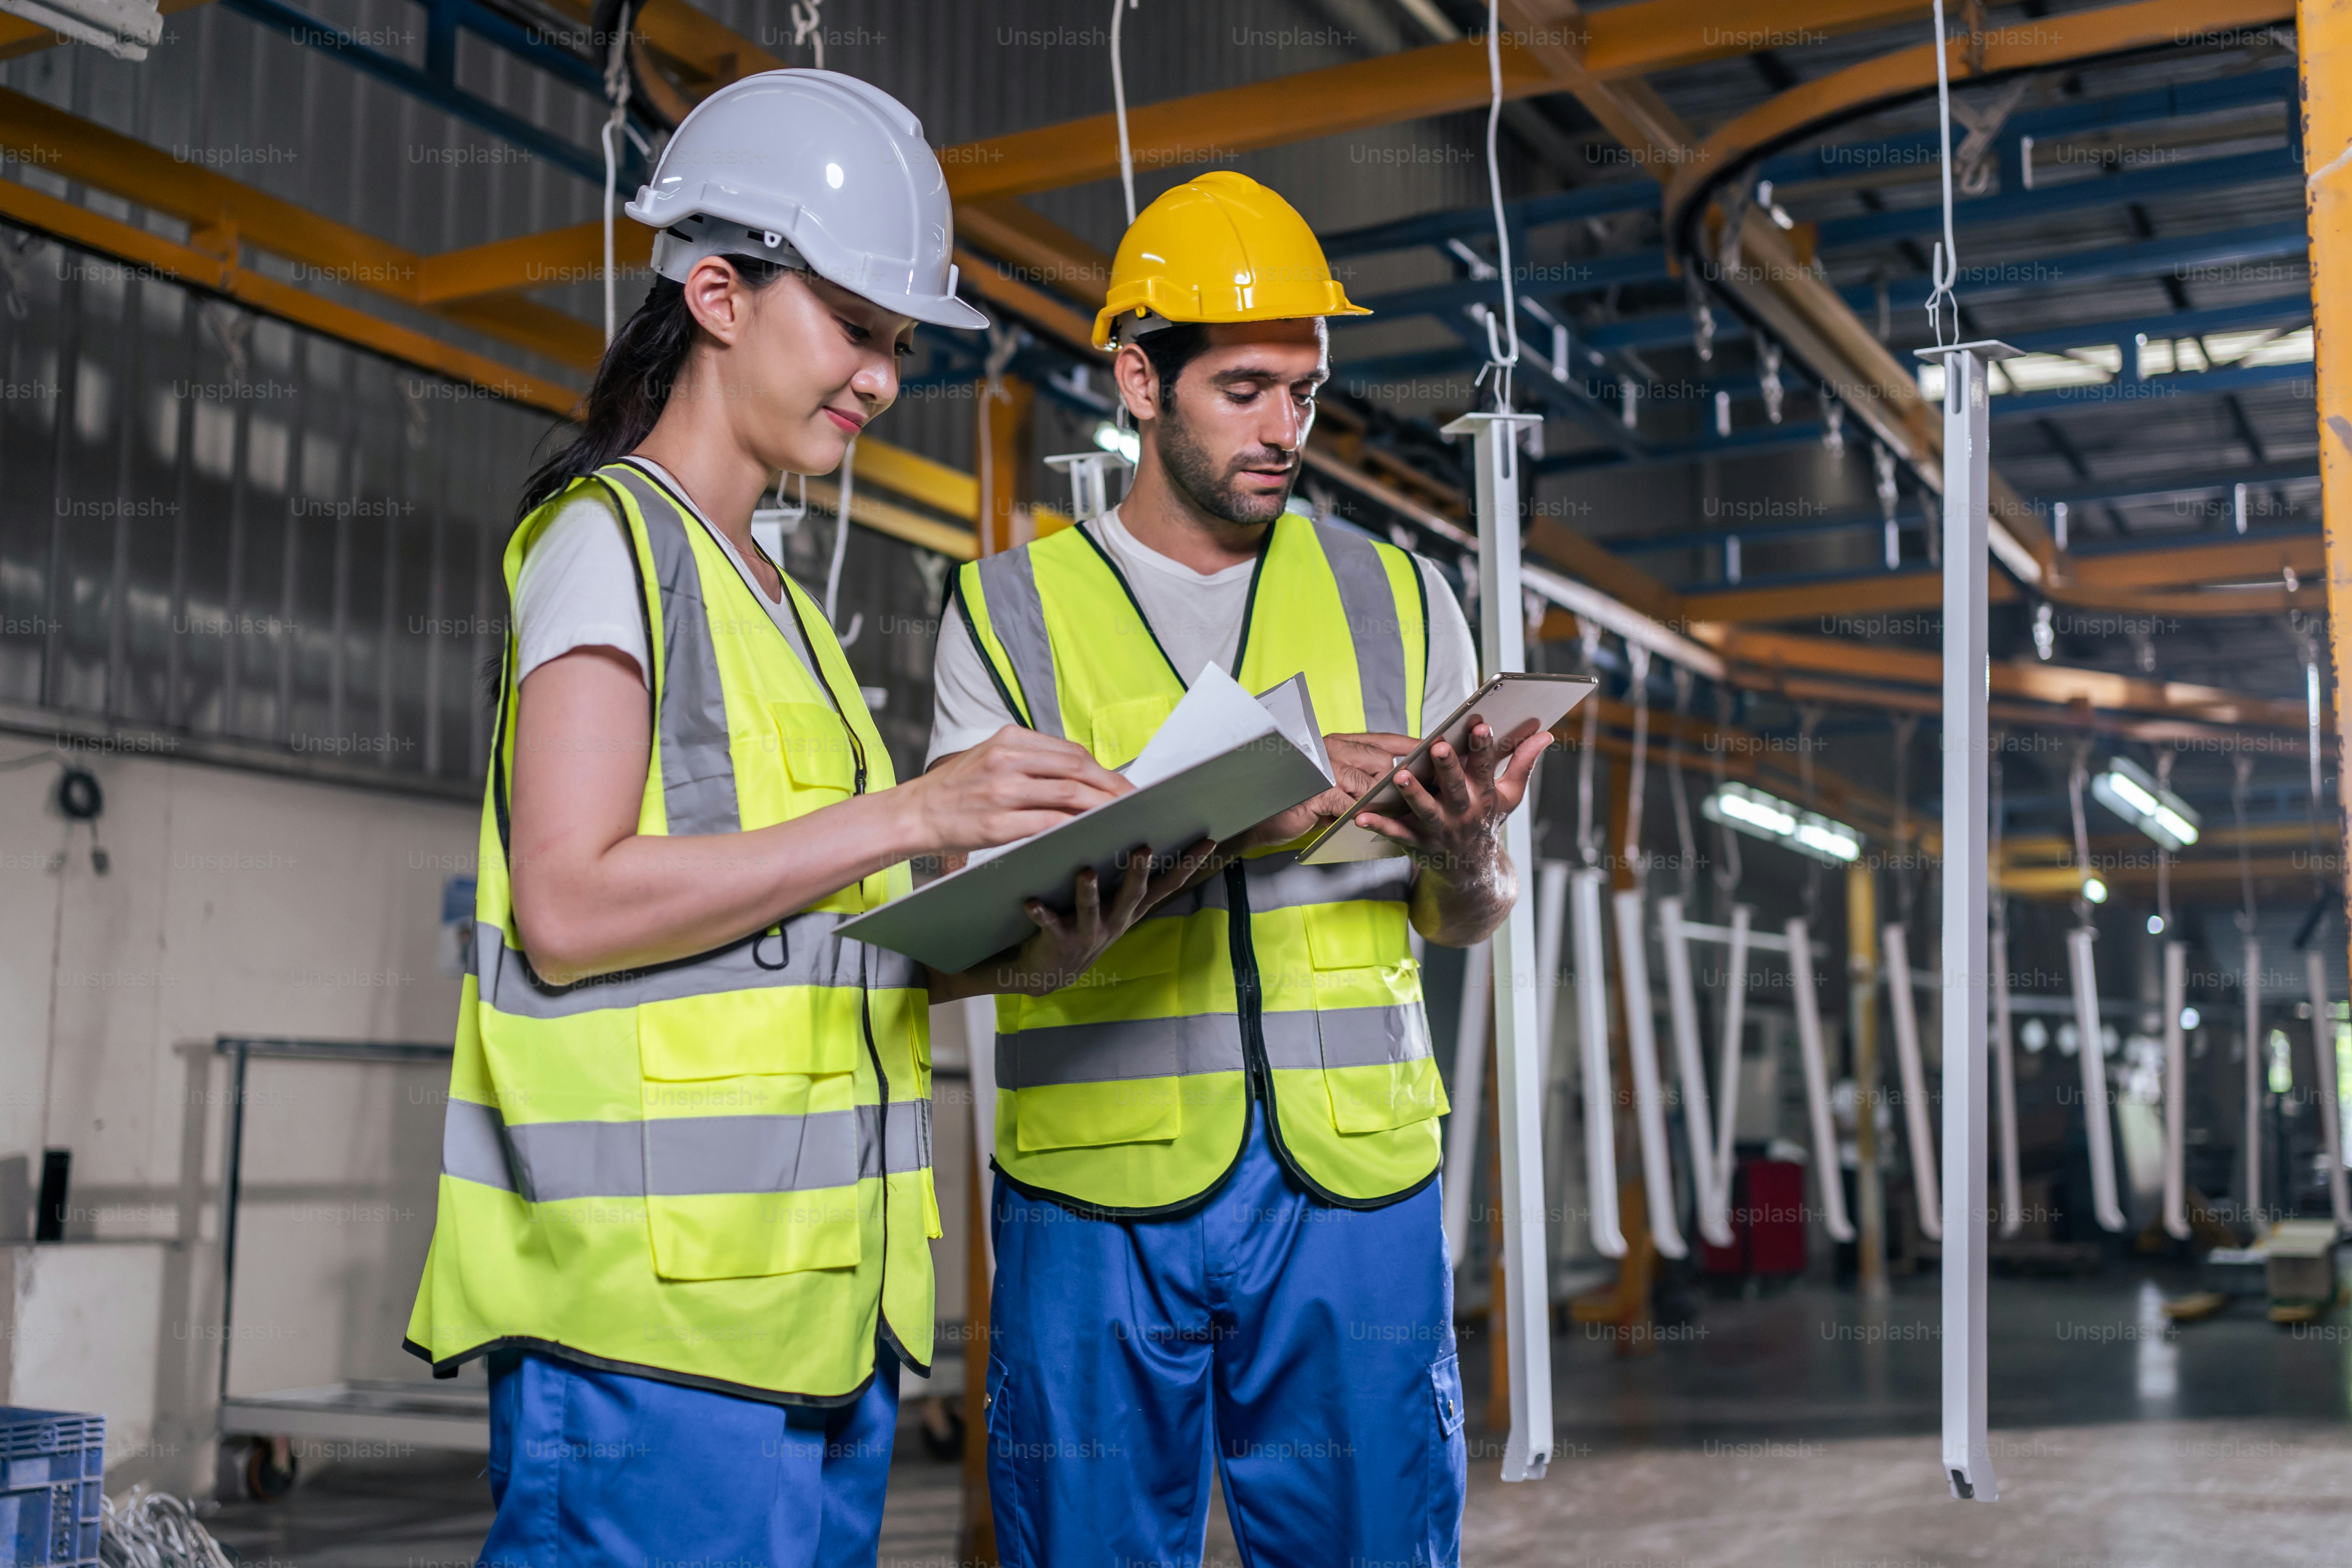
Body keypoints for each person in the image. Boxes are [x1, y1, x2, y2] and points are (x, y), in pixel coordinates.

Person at [404, 71, 1212, 1568]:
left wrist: (1001, 957)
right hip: (650, 1331)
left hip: (813, 1324)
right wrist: (913, 808)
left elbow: (785, 952)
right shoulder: (607, 543)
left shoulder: (779, 603)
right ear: (716, 292)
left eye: (899, 346)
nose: (882, 376)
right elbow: (572, 908)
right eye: (855, 327)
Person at [929, 170, 1550, 1568]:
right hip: (1096, 1190)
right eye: (1248, 389)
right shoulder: (1006, 615)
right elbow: (972, 934)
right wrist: (1236, 803)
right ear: (1139, 381)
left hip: (1354, 1182)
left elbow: (1468, 919)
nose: (1288, 431)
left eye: (1308, 393)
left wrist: (1468, 856)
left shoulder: (1404, 596)